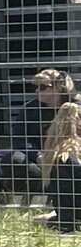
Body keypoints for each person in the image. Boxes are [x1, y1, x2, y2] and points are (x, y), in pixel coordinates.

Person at [39, 98, 81, 232]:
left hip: (69, 220)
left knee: (39, 220)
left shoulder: (58, 157)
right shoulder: (71, 157)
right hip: (73, 218)